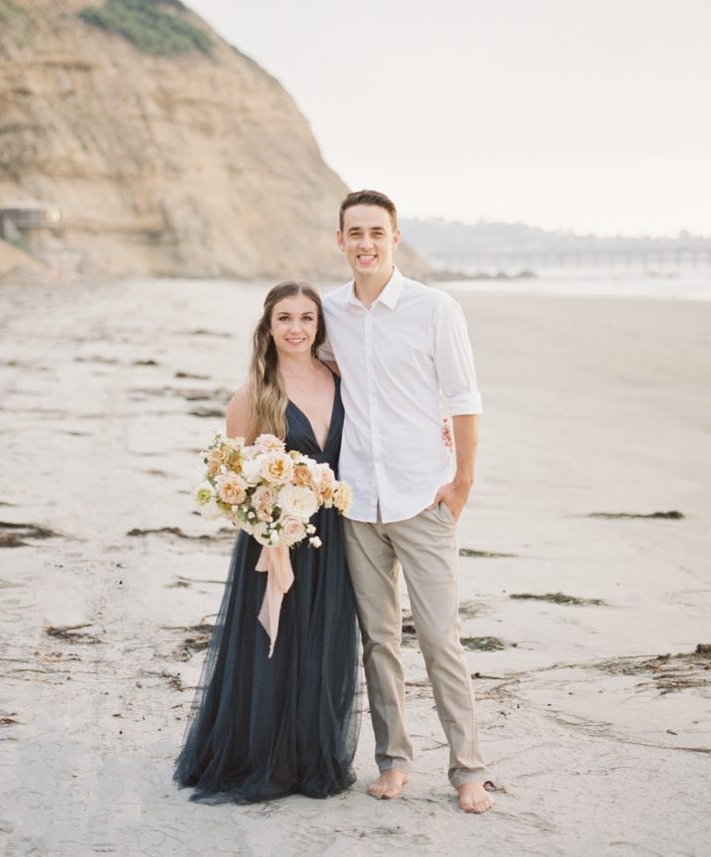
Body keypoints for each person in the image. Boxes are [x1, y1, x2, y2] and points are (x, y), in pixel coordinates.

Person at [320, 190, 493, 814]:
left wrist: (462, 482)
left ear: (394, 238)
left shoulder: (435, 308)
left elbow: (464, 398)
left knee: (441, 639)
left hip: (424, 498)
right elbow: (306, 370)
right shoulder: (329, 311)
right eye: (355, 233)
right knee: (378, 641)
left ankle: (468, 771)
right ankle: (393, 762)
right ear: (340, 240)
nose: (365, 243)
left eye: (377, 232)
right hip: (358, 502)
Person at [173, 281, 360, 803]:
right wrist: (272, 519)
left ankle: (308, 756)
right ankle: (265, 758)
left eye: (306, 318)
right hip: (274, 538)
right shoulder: (255, 394)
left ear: (319, 326)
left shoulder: (341, 379)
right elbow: (231, 478)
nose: (296, 328)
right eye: (285, 319)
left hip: (334, 533)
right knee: (271, 645)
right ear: (269, 327)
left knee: (324, 641)